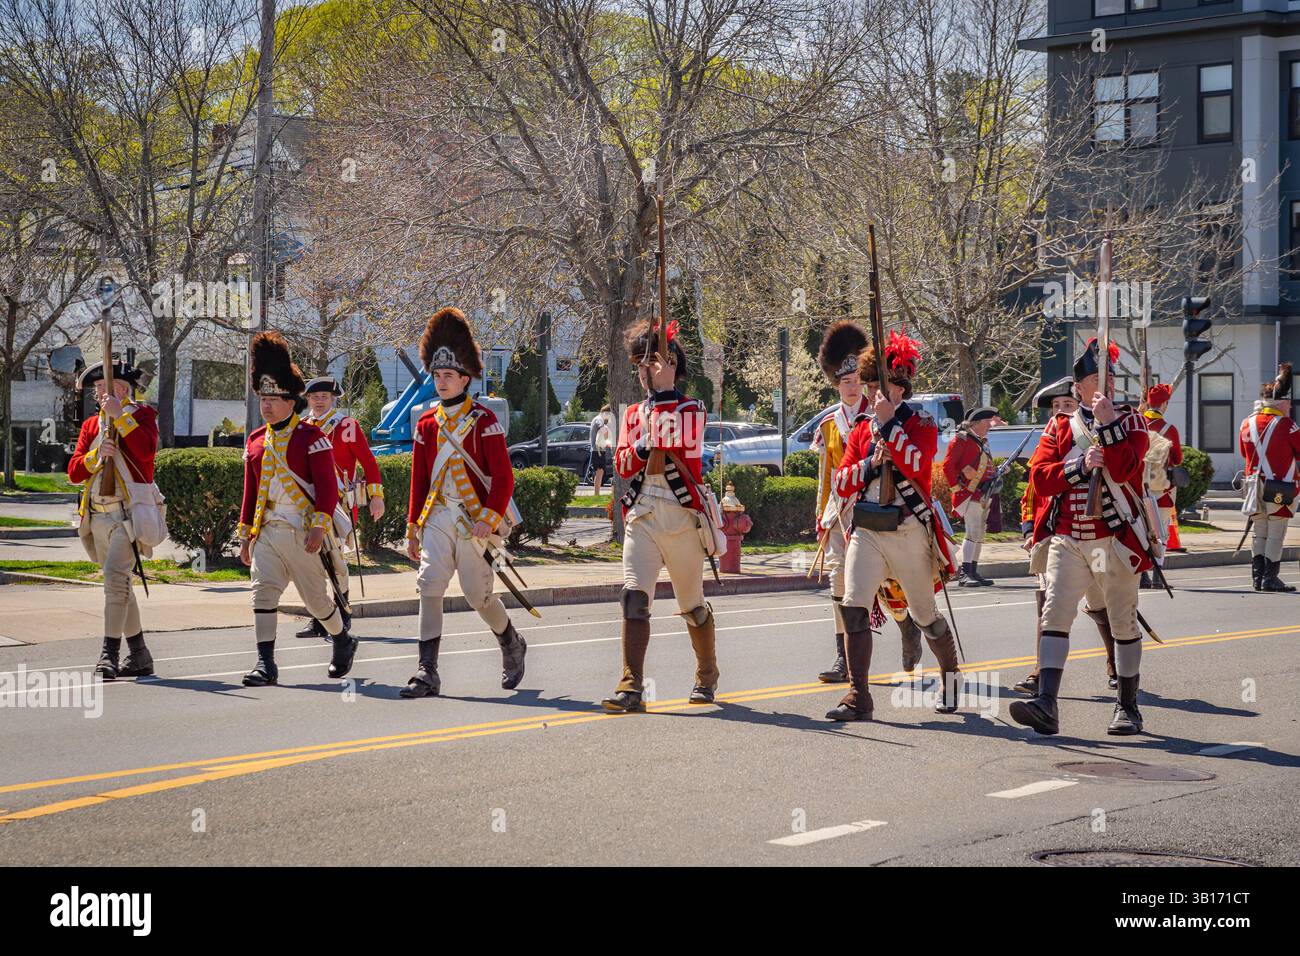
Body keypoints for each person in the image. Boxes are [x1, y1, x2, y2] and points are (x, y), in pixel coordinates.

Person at [1012, 339, 1150, 737]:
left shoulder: (1131, 422)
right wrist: (1077, 465)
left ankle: (1128, 706)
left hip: (1113, 540)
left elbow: (1126, 472)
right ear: (1078, 388)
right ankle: (1047, 704)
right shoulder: (1060, 426)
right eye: (1093, 377)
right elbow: (1040, 478)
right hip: (1069, 538)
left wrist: (1108, 427)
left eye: (1106, 376)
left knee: (1122, 620)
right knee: (1054, 613)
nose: (1101, 383)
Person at [825, 330, 960, 721]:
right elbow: (842, 480)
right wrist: (869, 463)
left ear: (899, 387)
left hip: (907, 529)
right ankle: (858, 695)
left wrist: (892, 430)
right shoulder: (863, 428)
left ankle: (950, 678)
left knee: (924, 614)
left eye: (877, 387)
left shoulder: (920, 422)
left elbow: (919, 467)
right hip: (867, 528)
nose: (870, 395)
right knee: (853, 607)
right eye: (869, 387)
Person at [401, 307, 526, 698]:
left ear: (465, 378)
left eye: (448, 376)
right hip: (438, 516)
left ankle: (510, 641)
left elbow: (504, 477)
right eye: (436, 376)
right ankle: (427, 671)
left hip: (474, 519)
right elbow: (419, 479)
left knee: (478, 596)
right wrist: (412, 529)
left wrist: (488, 518)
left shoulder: (485, 421)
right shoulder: (425, 424)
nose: (441, 382)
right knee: (429, 585)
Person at [601, 320, 717, 713]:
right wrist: (641, 442)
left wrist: (666, 392)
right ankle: (631, 685)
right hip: (643, 514)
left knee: (692, 604)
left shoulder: (691, 407)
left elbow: (684, 438)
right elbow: (621, 461)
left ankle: (706, 674)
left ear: (671, 365)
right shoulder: (632, 412)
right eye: (640, 365)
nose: (644, 371)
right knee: (634, 596)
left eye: (652, 363)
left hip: (682, 516)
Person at [237, 331, 357, 687]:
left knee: (317, 602)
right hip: (267, 533)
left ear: (291, 401)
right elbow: (250, 492)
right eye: (263, 398)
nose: (267, 405)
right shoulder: (256, 440)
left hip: (304, 531)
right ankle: (265, 664)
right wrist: (245, 536)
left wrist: (320, 527)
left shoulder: (310, 437)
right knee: (263, 593)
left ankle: (342, 640)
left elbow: (328, 488)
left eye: (274, 398)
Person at [811, 320, 923, 682]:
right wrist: (821, 517)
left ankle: (907, 626)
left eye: (856, 380)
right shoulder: (829, 423)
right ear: (835, 385)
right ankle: (843, 657)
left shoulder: (876, 415)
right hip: (840, 512)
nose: (851, 386)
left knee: (889, 583)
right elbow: (826, 475)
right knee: (839, 583)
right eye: (844, 382)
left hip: (879, 506)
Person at [1013, 378, 1121, 695]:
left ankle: (1115, 661)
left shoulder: (1097, 432)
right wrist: (1030, 528)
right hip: (1056, 531)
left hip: (1098, 533)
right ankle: (1040, 673)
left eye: (1066, 406)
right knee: (1049, 601)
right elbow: (1036, 490)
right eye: (1056, 407)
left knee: (1102, 603)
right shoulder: (1053, 437)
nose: (1060, 411)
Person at [68, 357, 159, 681]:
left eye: (106, 387)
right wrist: (96, 456)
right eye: (98, 389)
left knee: (114, 584)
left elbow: (147, 452)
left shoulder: (143, 415)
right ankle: (139, 654)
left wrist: (121, 419)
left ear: (123, 390)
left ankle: (109, 654)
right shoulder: (91, 426)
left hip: (128, 516)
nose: (101, 394)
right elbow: (75, 471)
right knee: (121, 586)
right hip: (97, 517)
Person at [296, 374, 386, 638]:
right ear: (308, 399)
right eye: (314, 397)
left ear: (333, 399)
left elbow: (369, 462)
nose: (319, 401)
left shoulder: (346, 425)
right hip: (308, 504)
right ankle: (318, 618)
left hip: (338, 505)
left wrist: (376, 496)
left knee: (336, 563)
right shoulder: (302, 427)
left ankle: (343, 614)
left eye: (324, 397)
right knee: (311, 565)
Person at [1239, 363, 1300, 593]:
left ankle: (1257, 577)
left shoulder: (1247, 422)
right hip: (1280, 485)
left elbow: (1244, 453)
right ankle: (1270, 578)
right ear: (1282, 402)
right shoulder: (1287, 425)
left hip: (1253, 485)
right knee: (1276, 531)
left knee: (1259, 530)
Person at [943, 407, 999, 587]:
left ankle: (973, 570)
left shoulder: (981, 442)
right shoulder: (963, 440)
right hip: (969, 493)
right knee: (973, 531)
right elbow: (948, 466)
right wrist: (957, 489)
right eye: (987, 422)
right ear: (977, 422)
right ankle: (965, 573)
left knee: (979, 534)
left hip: (983, 493)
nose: (990, 425)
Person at [1141, 383, 1183, 560]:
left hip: (1138, 489)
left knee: (1141, 531)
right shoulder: (1169, 430)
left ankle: (1142, 573)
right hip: (1162, 490)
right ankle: (1158, 573)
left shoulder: (1138, 424)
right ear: (1164, 404)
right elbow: (1178, 458)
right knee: (1162, 532)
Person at [589, 405, 614, 497]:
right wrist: (607, 437)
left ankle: (597, 493)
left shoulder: (596, 418)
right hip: (597, 450)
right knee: (599, 471)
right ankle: (596, 494)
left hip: (598, 450)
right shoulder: (599, 419)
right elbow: (603, 429)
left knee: (600, 472)